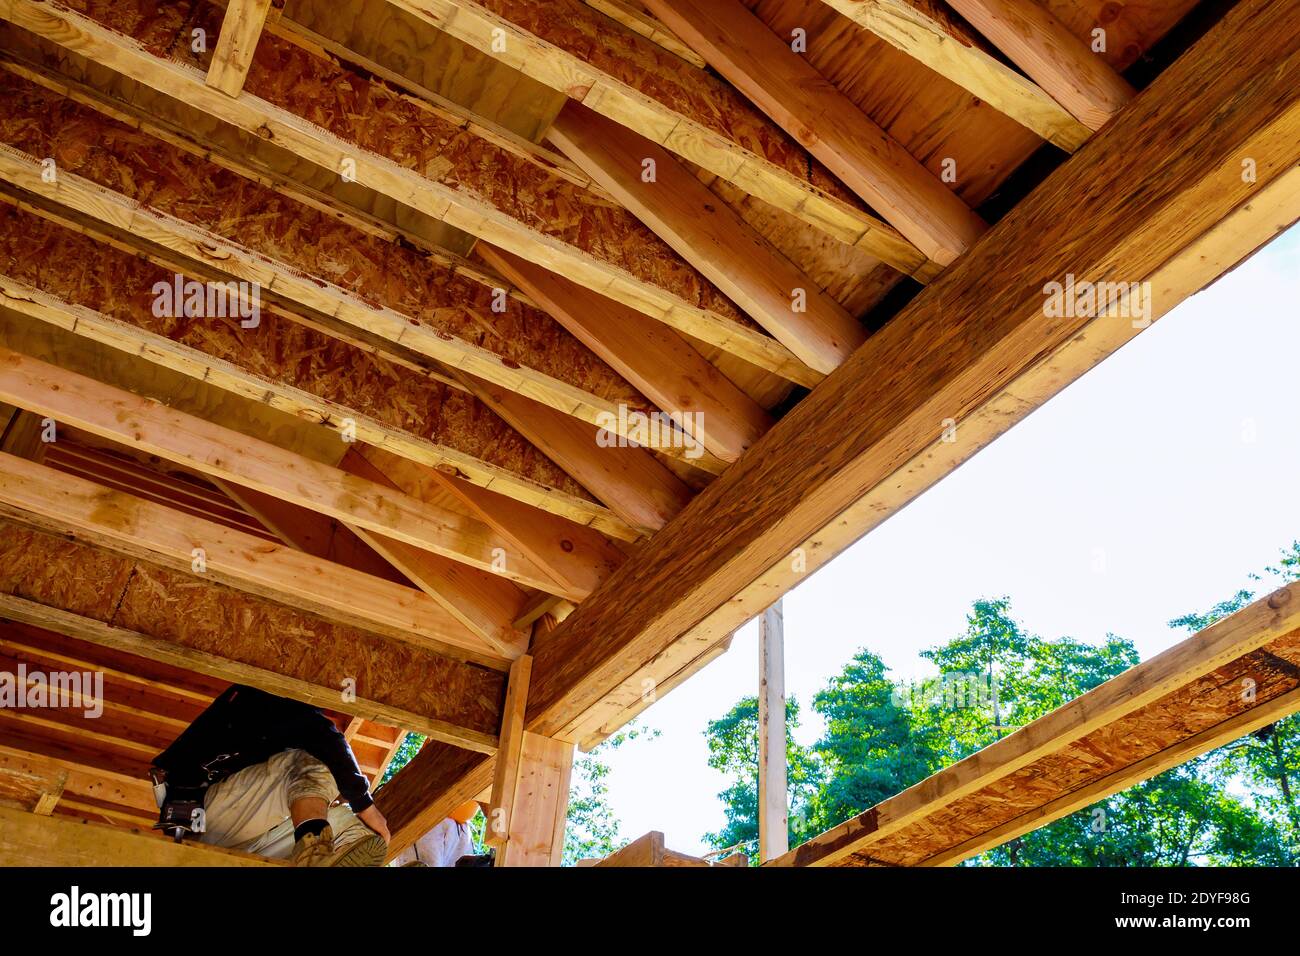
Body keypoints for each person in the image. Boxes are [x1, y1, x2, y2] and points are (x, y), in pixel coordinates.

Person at [151, 684, 389, 866]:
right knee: (319, 762)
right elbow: (322, 736)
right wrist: (364, 804)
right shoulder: (260, 694)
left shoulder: (292, 722)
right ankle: (315, 852)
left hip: (247, 838)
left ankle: (319, 854)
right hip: (206, 819)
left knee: (355, 834)